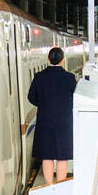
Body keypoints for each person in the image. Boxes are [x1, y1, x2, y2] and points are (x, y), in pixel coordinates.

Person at [27, 47, 76, 184]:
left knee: (46, 155)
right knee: (62, 156)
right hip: (64, 122)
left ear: (48, 59)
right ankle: (60, 185)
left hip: (45, 121)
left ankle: (49, 185)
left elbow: (31, 97)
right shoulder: (69, 78)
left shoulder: (39, 77)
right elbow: (74, 98)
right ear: (62, 60)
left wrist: (43, 104)